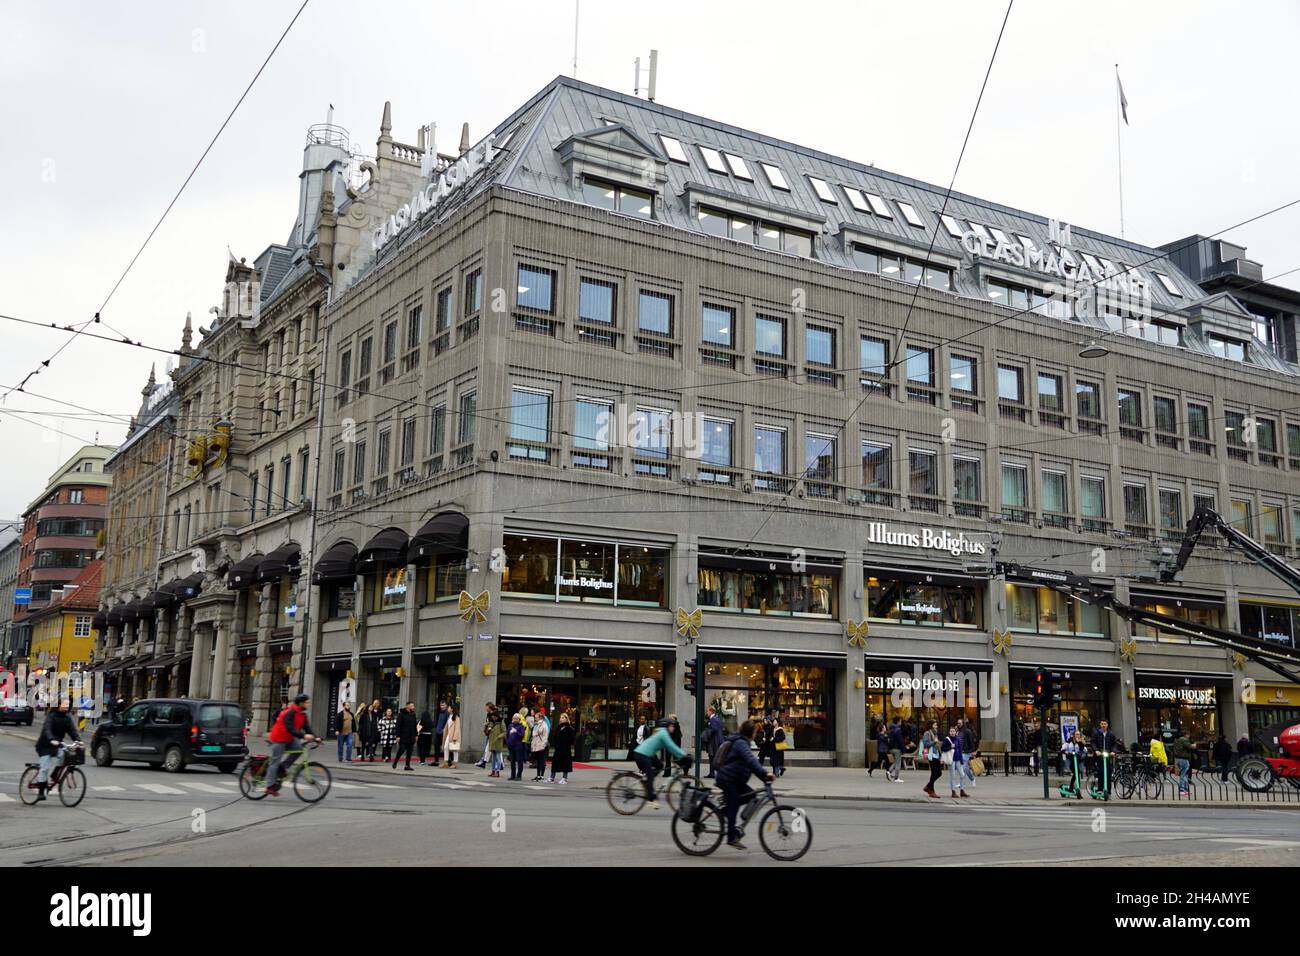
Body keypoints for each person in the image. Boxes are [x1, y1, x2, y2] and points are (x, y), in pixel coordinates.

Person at [714, 719, 774, 849]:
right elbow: (751, 761)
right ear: (751, 732)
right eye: (755, 732)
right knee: (734, 805)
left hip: (735, 779)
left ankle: (725, 811)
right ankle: (731, 837)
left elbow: (751, 765)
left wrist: (764, 777)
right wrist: (765, 773)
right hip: (728, 779)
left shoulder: (743, 742)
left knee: (751, 796)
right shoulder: (741, 743)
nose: (756, 734)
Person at [631, 716, 691, 808]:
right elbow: (672, 747)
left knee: (660, 765)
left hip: (648, 754)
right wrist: (684, 756)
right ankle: (650, 799)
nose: (673, 727)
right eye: (672, 726)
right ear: (666, 726)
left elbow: (671, 748)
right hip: (642, 755)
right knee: (650, 775)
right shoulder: (663, 734)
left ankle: (648, 782)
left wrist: (682, 756)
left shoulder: (663, 732)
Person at [265, 694, 318, 796]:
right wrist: (304, 736)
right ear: (301, 703)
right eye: (307, 702)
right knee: (275, 761)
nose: (308, 704)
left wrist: (316, 737)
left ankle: (283, 767)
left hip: (289, 738)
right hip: (278, 738)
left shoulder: (302, 715)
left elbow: (308, 728)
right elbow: (290, 728)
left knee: (299, 749)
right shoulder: (290, 712)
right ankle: (269, 786)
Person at [33, 698, 81, 802]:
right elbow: (47, 729)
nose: (67, 706)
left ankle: (55, 774)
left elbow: (72, 730)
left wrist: (78, 740)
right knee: (45, 767)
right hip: (45, 744)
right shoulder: (51, 715)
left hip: (58, 743)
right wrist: (51, 739)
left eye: (68, 704)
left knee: (65, 755)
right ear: (59, 705)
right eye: (65, 704)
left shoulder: (68, 717)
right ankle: (41, 793)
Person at [1090, 719, 1120, 799]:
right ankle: (1100, 789)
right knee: (1101, 772)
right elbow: (1092, 743)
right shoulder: (1097, 733)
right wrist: (1096, 750)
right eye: (1102, 724)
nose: (1103, 725)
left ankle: (1109, 791)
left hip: (1108, 756)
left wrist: (1113, 751)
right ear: (1100, 725)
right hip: (1099, 756)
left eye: (1105, 724)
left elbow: (1115, 744)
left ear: (1107, 725)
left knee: (1108, 773)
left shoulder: (1111, 734)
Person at [549, 712, 576, 784]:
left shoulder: (569, 728)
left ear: (566, 719)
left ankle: (564, 778)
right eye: (560, 717)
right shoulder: (558, 727)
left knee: (565, 764)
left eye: (563, 717)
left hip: (565, 749)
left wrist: (566, 743)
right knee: (555, 763)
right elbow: (554, 737)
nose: (561, 719)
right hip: (558, 748)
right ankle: (552, 777)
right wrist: (555, 744)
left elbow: (572, 739)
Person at [942, 724, 967, 798]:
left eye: (953, 731)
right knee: (952, 776)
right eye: (951, 731)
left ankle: (962, 790)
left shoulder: (957, 739)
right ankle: (953, 791)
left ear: (956, 732)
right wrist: (950, 747)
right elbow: (943, 749)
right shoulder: (947, 739)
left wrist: (961, 760)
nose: (952, 732)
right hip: (951, 760)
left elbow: (959, 749)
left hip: (958, 759)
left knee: (962, 774)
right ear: (949, 732)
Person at [393, 702, 418, 770]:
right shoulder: (401, 714)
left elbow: (415, 725)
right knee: (402, 750)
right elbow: (398, 725)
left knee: (409, 751)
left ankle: (407, 765)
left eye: (413, 705)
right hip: (403, 736)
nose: (413, 707)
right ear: (407, 706)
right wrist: (397, 736)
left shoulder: (413, 714)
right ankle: (395, 762)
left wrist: (416, 735)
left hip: (411, 736)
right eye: (412, 705)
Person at [920, 720, 942, 798]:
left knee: (938, 773)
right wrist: (934, 742)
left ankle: (928, 787)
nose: (937, 726)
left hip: (936, 755)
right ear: (931, 725)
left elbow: (936, 743)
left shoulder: (935, 733)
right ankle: (931, 790)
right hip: (931, 755)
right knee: (934, 773)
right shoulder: (927, 733)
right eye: (935, 725)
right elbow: (925, 744)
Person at [529, 709, 550, 781]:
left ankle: (542, 776)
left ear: (540, 717)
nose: (535, 718)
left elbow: (545, 736)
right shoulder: (536, 724)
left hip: (541, 744)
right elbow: (533, 735)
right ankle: (538, 775)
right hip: (536, 744)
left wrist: (543, 745)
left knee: (542, 760)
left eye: (536, 717)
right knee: (538, 760)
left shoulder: (544, 725)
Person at [702, 706, 724, 777]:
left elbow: (714, 729)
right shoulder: (717, 718)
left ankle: (714, 773)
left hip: (714, 741)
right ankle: (712, 773)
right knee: (713, 757)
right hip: (717, 740)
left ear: (711, 711)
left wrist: (706, 733)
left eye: (707, 711)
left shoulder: (713, 719)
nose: (707, 713)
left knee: (712, 757)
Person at [957, 718, 977, 789]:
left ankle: (972, 779)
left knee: (964, 767)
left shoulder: (967, 731)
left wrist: (973, 751)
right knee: (961, 768)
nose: (958, 724)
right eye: (958, 723)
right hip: (959, 752)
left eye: (960, 723)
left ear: (963, 723)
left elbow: (971, 741)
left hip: (966, 751)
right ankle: (962, 783)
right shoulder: (957, 732)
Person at [507, 713, 528, 780]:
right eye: (513, 718)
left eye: (516, 718)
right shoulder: (510, 725)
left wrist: (516, 731)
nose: (514, 719)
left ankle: (519, 775)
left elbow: (522, 736)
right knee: (512, 761)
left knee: (519, 761)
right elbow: (507, 734)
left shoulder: (521, 726)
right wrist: (508, 742)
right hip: (511, 745)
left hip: (518, 745)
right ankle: (512, 775)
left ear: (519, 720)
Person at [476, 702, 496, 769]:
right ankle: (483, 762)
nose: (485, 708)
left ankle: (484, 762)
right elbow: (488, 722)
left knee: (491, 749)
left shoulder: (494, 714)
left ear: (489, 707)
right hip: (488, 732)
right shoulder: (488, 714)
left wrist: (489, 727)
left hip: (493, 733)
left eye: (486, 707)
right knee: (487, 748)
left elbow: (494, 723)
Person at [488, 711, 507, 777]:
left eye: (494, 716)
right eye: (492, 716)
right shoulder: (490, 722)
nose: (493, 718)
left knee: (498, 758)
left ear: (496, 716)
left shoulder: (501, 722)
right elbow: (487, 732)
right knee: (493, 758)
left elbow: (504, 732)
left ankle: (497, 771)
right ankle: (493, 771)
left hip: (498, 742)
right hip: (492, 741)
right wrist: (486, 727)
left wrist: (499, 736)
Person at [887, 716, 905, 783]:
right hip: (897, 748)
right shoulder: (897, 730)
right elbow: (900, 740)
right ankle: (896, 777)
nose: (901, 722)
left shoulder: (891, 729)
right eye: (900, 721)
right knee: (898, 763)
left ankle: (889, 771)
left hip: (891, 748)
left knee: (896, 761)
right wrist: (903, 749)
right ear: (898, 721)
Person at [771, 711, 789, 778]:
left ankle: (776, 773)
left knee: (776, 760)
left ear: (777, 722)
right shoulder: (773, 729)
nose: (773, 722)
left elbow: (782, 737)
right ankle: (781, 768)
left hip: (778, 747)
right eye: (773, 721)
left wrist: (774, 739)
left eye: (774, 721)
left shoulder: (780, 729)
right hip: (773, 747)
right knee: (773, 760)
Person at [433, 700, 451, 766]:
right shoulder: (440, 712)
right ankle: (436, 761)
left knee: (445, 747)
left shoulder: (447, 713)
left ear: (446, 705)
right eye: (441, 705)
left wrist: (444, 730)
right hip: (438, 732)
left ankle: (448, 761)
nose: (442, 706)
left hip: (444, 733)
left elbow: (447, 723)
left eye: (443, 705)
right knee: (436, 746)